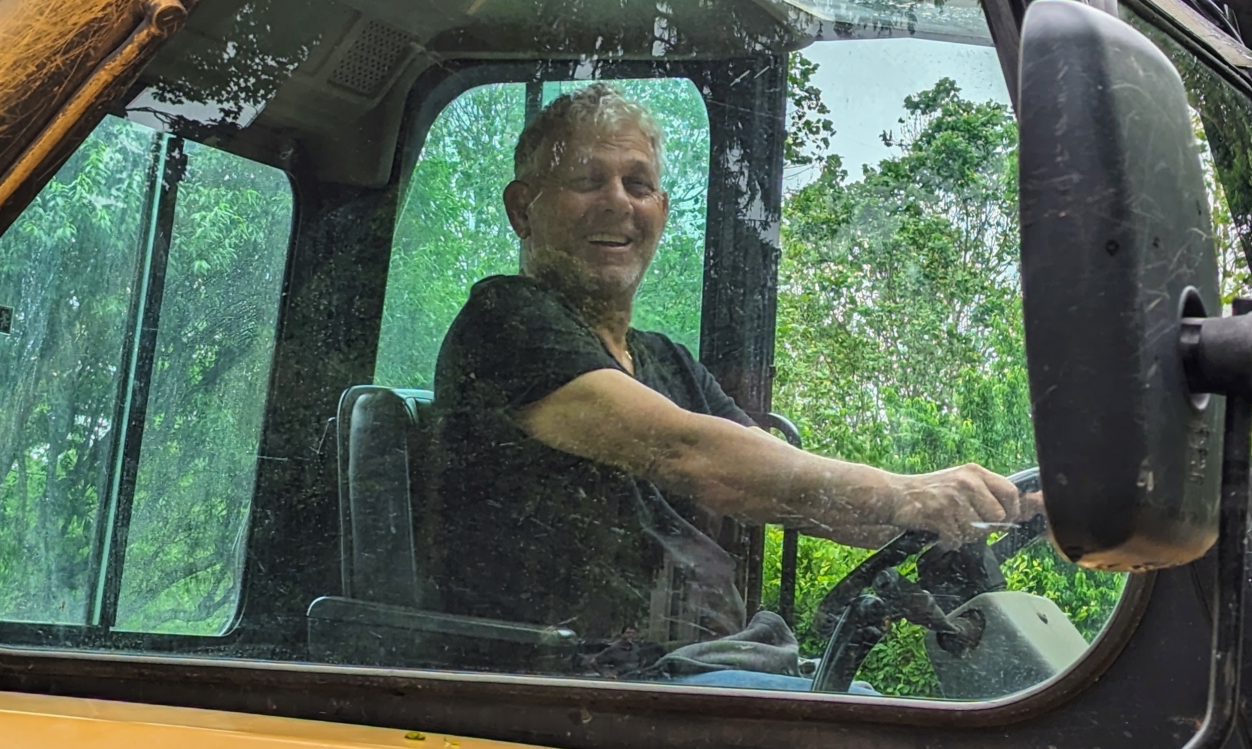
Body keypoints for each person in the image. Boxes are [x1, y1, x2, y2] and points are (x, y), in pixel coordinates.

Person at [433, 84, 1033, 677]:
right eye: (589, 181)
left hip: (691, 673)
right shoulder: (505, 323)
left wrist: (985, 510)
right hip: (566, 690)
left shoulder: (666, 364)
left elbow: (792, 490)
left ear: (661, 212)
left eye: (638, 185)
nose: (618, 203)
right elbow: (690, 454)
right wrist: (901, 490)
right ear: (522, 208)